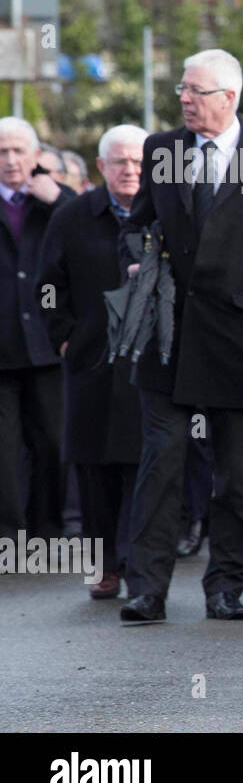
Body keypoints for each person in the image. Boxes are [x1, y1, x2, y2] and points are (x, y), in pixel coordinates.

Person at [118, 48, 243, 624]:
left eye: (195, 91)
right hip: (168, 335)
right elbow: (137, 227)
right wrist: (135, 263)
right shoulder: (164, 149)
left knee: (235, 474)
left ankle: (226, 585)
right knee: (160, 464)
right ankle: (147, 587)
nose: (183, 98)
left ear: (228, 97)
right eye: (181, 88)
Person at [37, 125, 147, 598]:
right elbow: (46, 286)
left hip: (149, 365)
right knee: (94, 469)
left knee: (146, 470)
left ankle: (142, 567)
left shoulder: (165, 214)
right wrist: (64, 338)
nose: (131, 170)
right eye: (120, 162)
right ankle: (103, 567)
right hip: (91, 363)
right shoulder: (73, 216)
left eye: (140, 163)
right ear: (101, 167)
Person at [0, 117, 74, 542]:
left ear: (35, 155)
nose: (11, 161)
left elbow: (90, 233)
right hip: (4, 346)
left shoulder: (54, 202)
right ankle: (10, 534)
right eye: (3, 152)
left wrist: (61, 198)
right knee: (5, 450)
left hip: (47, 344)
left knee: (51, 442)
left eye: (19, 151)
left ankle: (48, 528)